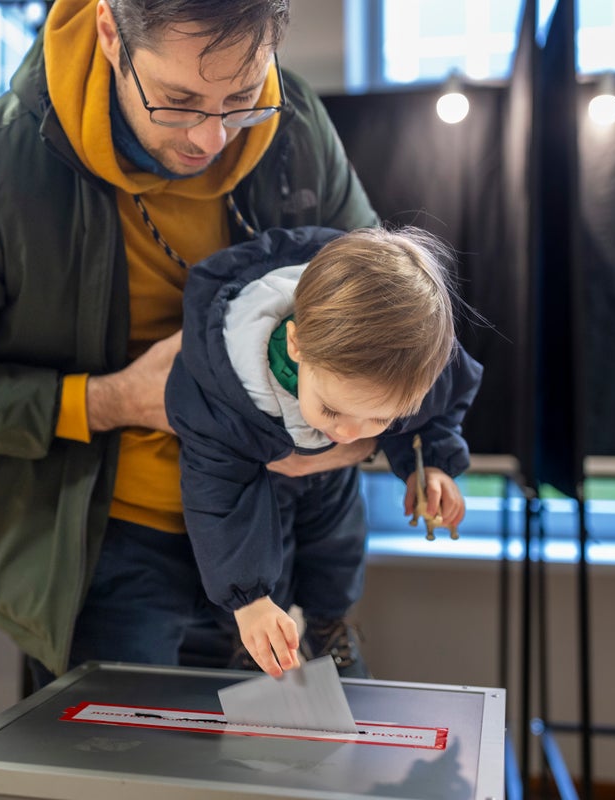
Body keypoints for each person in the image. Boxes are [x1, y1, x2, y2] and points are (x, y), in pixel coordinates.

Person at [0, 0, 380, 688]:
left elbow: (383, 313)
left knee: (274, 787)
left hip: (275, 533)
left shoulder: (295, 126)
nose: (213, 138)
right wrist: (108, 401)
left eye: (242, 99)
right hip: (104, 558)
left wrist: (363, 433)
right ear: (109, 33)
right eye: (178, 102)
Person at [168, 225, 484, 678]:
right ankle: (256, 642)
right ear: (296, 346)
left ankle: (328, 622)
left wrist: (430, 464)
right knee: (262, 542)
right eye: (333, 409)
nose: (352, 435)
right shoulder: (227, 390)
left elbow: (438, 410)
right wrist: (249, 602)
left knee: (340, 542)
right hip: (257, 480)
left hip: (330, 484)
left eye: (381, 419)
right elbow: (216, 494)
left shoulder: (413, 362)